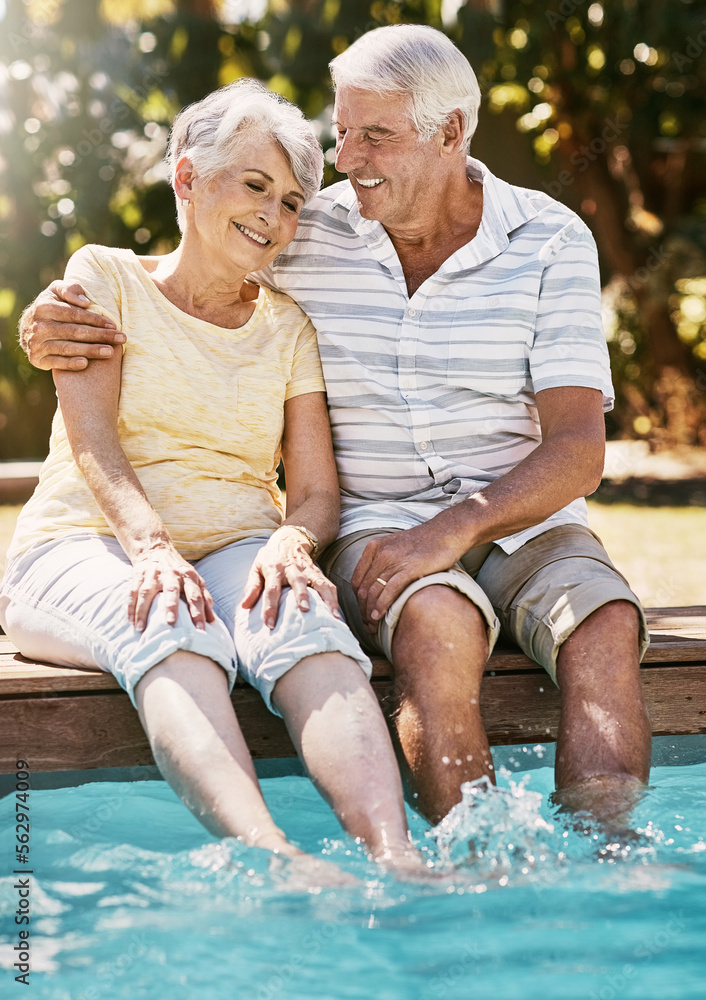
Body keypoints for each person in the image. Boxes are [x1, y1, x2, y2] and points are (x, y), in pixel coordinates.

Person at [20, 25, 651, 830]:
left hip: (524, 515)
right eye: (343, 130)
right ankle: (477, 867)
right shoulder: (308, 228)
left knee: (604, 625)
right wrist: (53, 322)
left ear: (451, 131)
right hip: (382, 522)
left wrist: (453, 528)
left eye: (373, 135)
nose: (345, 159)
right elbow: (194, 261)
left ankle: (611, 854)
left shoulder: (550, 239)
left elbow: (576, 448)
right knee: (434, 627)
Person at [3, 79, 422, 874]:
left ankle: (395, 855)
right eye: (256, 186)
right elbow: (93, 444)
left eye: (294, 202)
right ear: (188, 180)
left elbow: (315, 492)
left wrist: (294, 542)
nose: (275, 215)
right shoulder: (106, 278)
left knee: (305, 619)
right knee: (169, 619)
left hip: (235, 544)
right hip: (85, 543)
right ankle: (274, 858)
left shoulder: (287, 325)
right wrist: (154, 547)